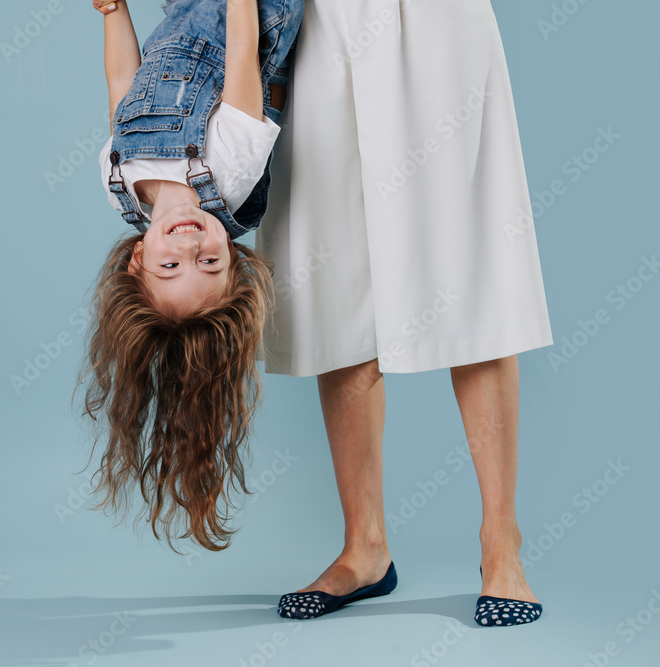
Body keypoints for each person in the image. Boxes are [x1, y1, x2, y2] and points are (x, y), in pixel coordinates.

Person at [260, 0, 552, 627]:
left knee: (467, 273)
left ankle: (502, 545)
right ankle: (364, 547)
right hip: (310, 22)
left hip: (431, 19)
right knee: (328, 277)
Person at [77, 0, 304, 552]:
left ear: (137, 260)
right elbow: (243, 49)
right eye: (209, 262)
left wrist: (112, 13)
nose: (190, 244)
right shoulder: (230, 172)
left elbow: (123, 82)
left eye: (170, 266)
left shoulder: (119, 183)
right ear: (231, 254)